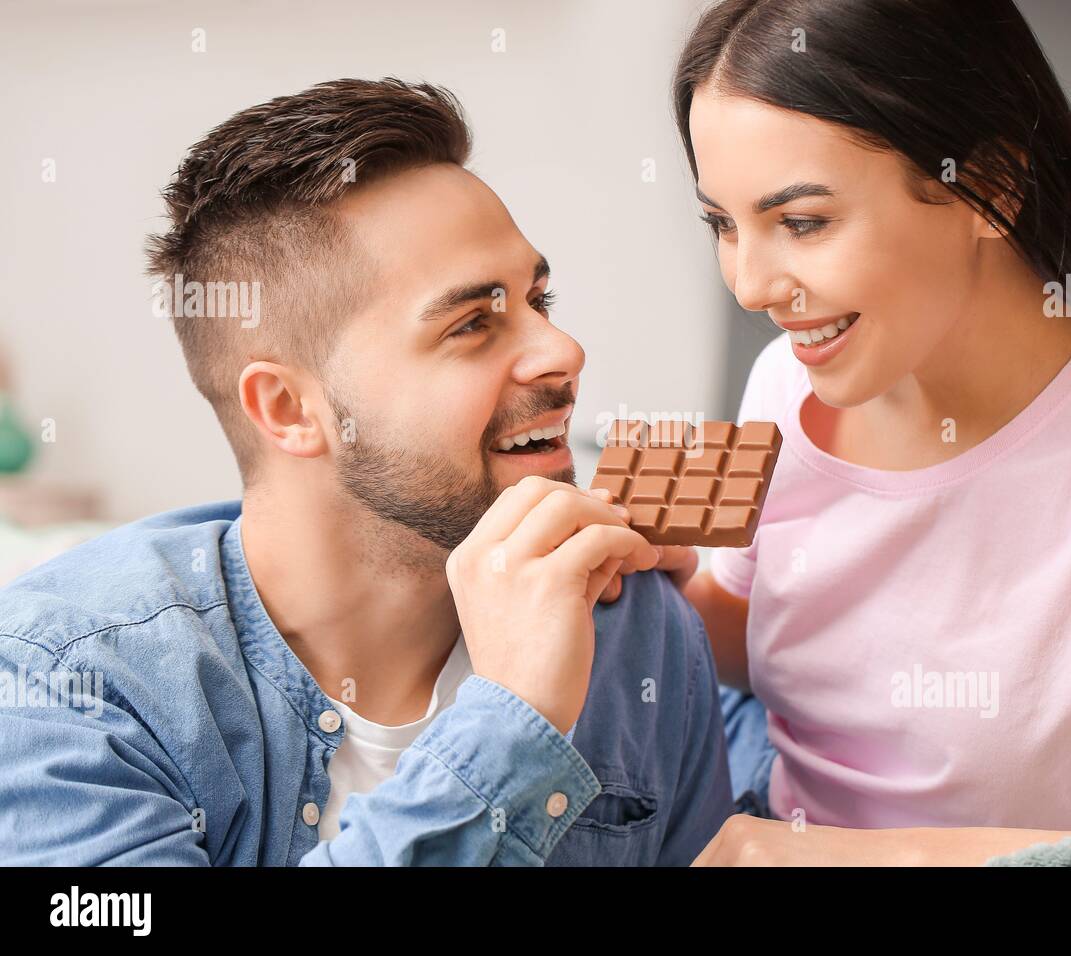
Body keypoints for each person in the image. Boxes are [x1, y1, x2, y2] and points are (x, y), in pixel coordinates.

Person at [0, 78, 733, 866]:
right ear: (287, 408)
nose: (564, 353)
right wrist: (512, 719)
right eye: (473, 323)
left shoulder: (635, 634)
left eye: (539, 300)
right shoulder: (64, 682)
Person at [651, 0, 1071, 864]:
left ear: (987, 187)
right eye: (722, 226)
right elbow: (766, 641)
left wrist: (891, 859)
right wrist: (655, 588)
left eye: (801, 222)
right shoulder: (786, 380)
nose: (750, 284)